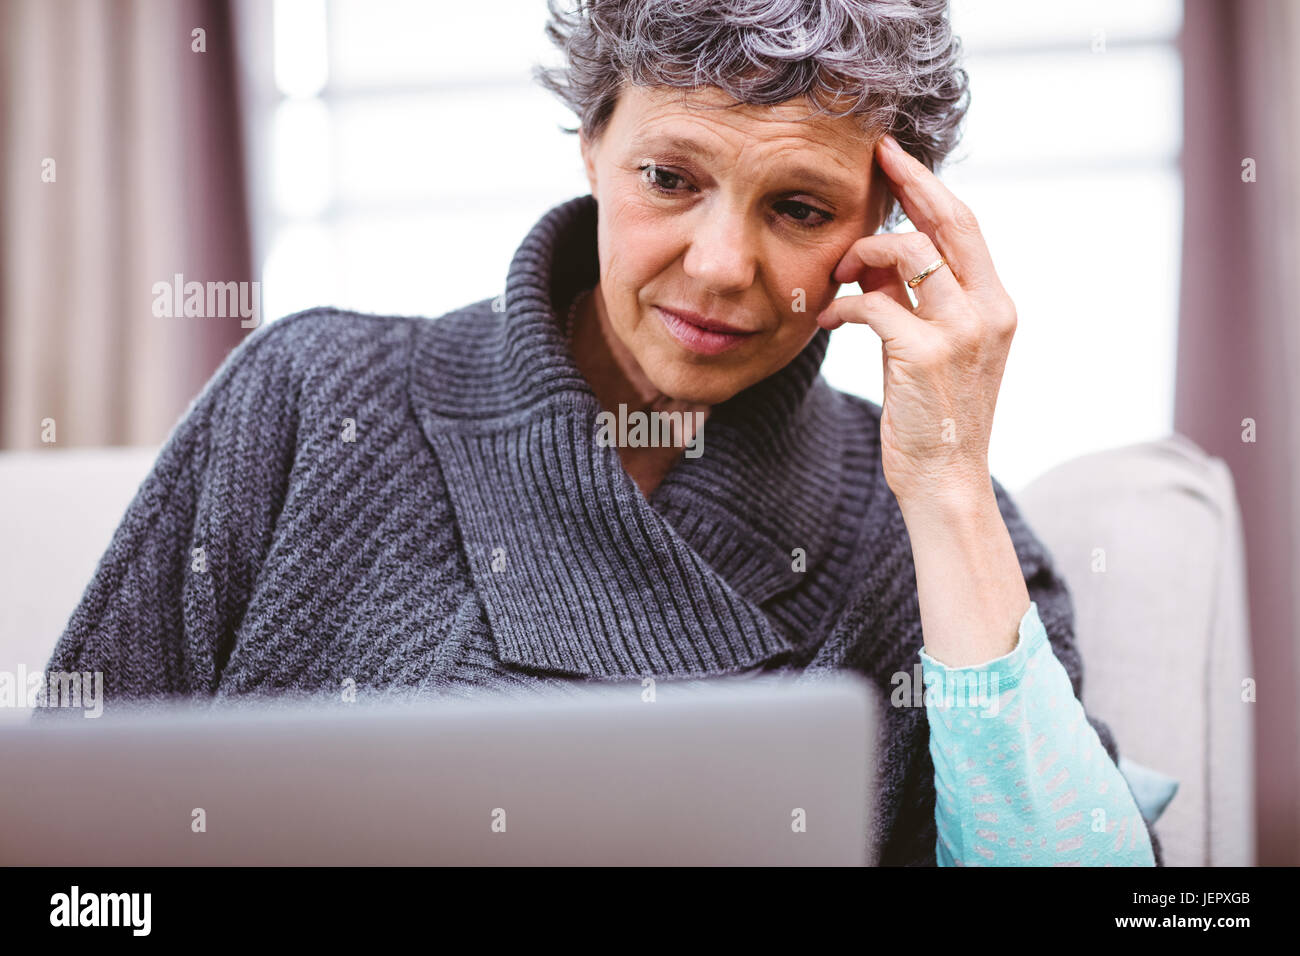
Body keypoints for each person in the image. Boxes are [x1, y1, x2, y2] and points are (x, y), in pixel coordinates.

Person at [39, 0, 1159, 866]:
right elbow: (64, 839)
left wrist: (950, 485)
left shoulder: (933, 538)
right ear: (591, 140)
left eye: (799, 208)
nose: (720, 265)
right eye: (670, 178)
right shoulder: (309, 394)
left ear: (885, 224)